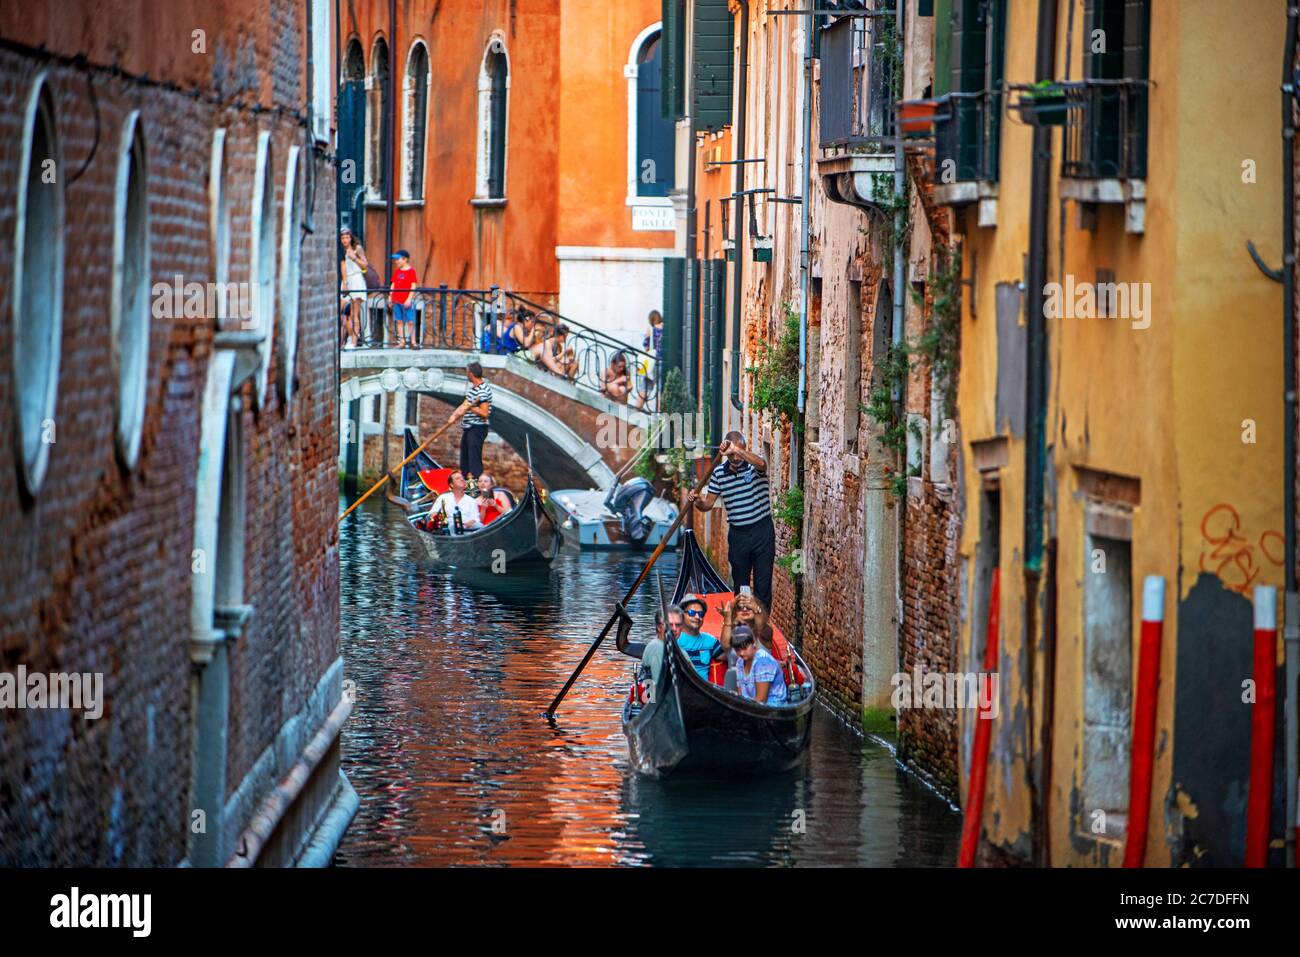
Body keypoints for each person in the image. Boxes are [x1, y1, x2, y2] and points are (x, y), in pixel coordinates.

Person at [688, 431, 776, 610]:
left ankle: (761, 627)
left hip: (762, 532)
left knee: (762, 585)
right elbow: (708, 504)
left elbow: (762, 464)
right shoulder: (719, 473)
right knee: (741, 585)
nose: (735, 457)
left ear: (743, 449)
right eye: (732, 454)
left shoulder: (754, 466)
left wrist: (736, 449)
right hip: (738, 535)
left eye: (738, 452)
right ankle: (743, 628)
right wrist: (697, 501)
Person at [446, 361, 492, 479]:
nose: (466, 375)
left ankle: (477, 485)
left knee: (474, 460)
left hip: (477, 428)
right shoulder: (473, 390)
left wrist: (471, 407)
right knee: (464, 459)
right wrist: (453, 416)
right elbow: (464, 405)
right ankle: (466, 483)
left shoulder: (483, 390)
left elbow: (484, 413)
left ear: (471, 374)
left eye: (467, 372)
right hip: (468, 428)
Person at [731, 624, 788, 706]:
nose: (741, 653)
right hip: (751, 707)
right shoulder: (740, 662)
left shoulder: (763, 662)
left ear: (753, 642)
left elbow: (761, 700)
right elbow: (741, 695)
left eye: (745, 648)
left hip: (773, 708)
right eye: (737, 650)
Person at [675, 593, 723, 681]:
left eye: (701, 614)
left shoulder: (710, 641)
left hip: (704, 691)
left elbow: (731, 656)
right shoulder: (674, 640)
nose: (697, 617)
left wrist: (727, 621)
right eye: (692, 613)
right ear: (681, 615)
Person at [339, 227, 369, 348]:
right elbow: (343, 267)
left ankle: (353, 341)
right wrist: (345, 283)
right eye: (342, 238)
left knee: (353, 314)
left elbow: (365, 265)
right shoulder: (341, 250)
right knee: (341, 313)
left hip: (356, 279)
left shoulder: (357, 249)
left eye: (347, 237)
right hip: (346, 281)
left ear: (351, 238)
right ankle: (346, 338)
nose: (345, 240)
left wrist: (354, 258)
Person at [389, 249, 418, 348]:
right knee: (399, 321)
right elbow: (393, 285)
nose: (396, 261)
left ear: (405, 259)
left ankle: (413, 342)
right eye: (395, 259)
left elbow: (413, 286)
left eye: (398, 259)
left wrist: (409, 299)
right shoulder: (397, 271)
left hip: (406, 301)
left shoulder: (411, 271)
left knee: (410, 321)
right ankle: (402, 342)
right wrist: (390, 297)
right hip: (397, 300)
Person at [637, 310, 662, 409]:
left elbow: (646, 347)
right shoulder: (667, 328)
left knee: (645, 388)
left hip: (652, 363)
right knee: (661, 392)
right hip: (663, 364)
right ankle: (660, 416)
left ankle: (636, 411)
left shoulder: (650, 330)